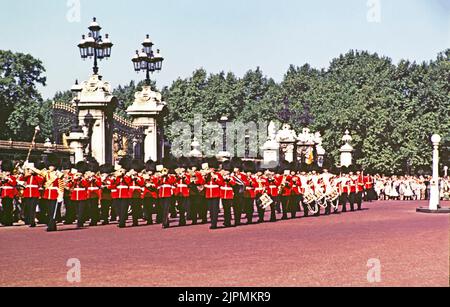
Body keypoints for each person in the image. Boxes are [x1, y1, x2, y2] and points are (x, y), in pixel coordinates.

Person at [0, 160, 17, 227]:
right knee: (4, 208)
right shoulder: (3, 177)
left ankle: (9, 221)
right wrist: (2, 180)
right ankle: (4, 221)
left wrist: (9, 179)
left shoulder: (12, 177)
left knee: (9, 208)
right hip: (4, 194)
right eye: (5, 171)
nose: (6, 172)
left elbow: (14, 184)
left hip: (10, 194)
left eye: (7, 171)